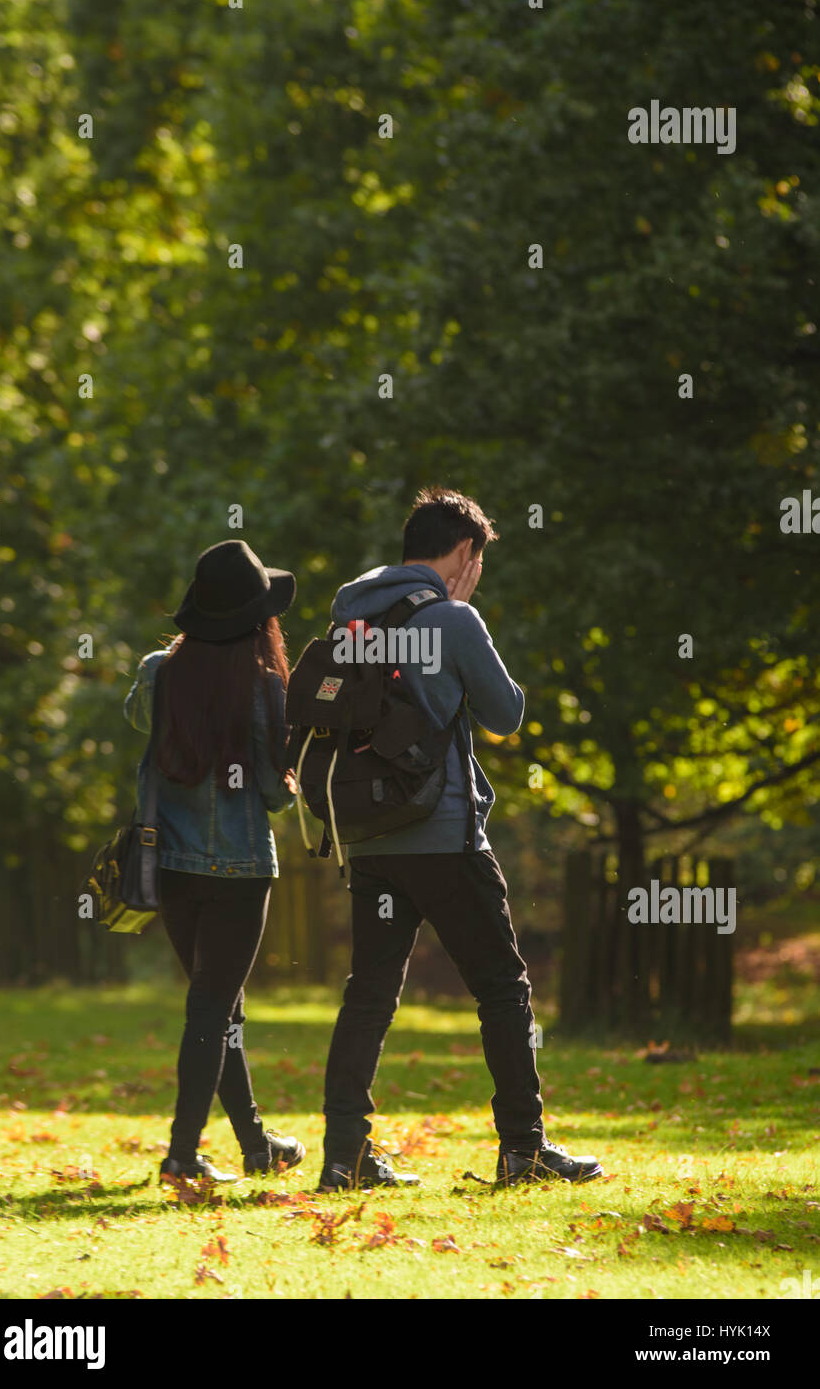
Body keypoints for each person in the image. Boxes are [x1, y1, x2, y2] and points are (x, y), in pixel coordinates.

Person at [318, 488, 603, 1191]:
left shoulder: (353, 615)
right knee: (503, 989)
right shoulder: (453, 618)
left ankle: (344, 1156)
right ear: (466, 554)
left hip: (369, 836)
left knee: (369, 994)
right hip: (442, 835)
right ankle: (523, 1148)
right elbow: (506, 714)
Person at [124, 539, 305, 1183]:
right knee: (212, 1007)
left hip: (169, 865)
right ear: (259, 620)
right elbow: (270, 796)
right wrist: (291, 782)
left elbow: (139, 718)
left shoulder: (158, 671)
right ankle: (182, 1155)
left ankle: (256, 1144)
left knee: (218, 1006)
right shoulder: (263, 688)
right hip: (239, 870)